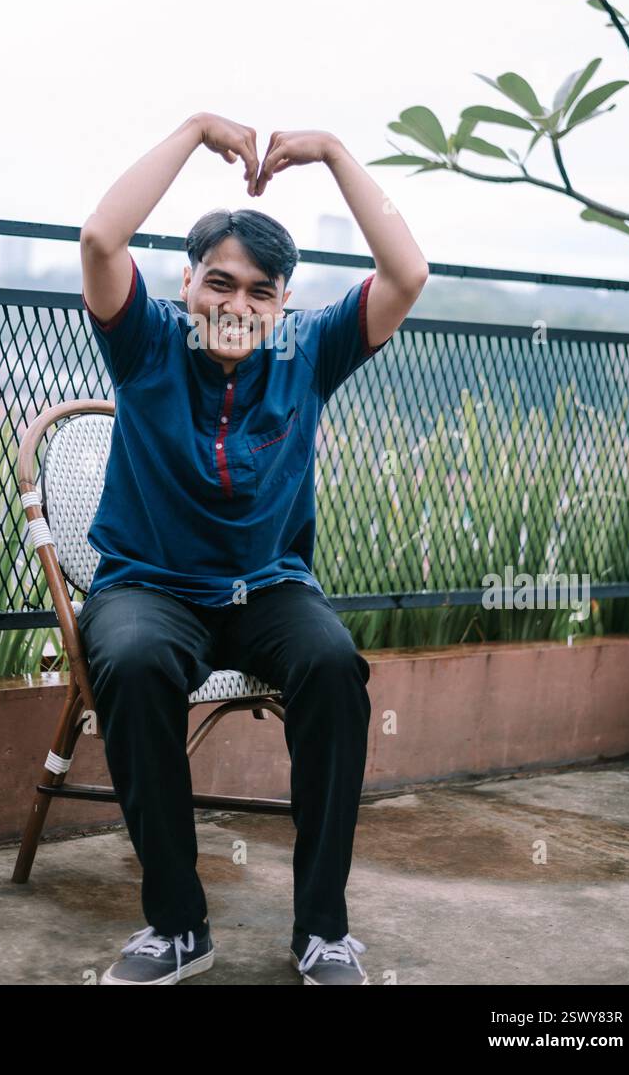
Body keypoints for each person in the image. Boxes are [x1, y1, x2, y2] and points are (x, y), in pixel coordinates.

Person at [78, 111, 428, 985]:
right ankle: (176, 925)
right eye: (219, 283)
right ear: (187, 282)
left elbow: (407, 271)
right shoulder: (146, 338)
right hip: (147, 589)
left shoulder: (310, 351)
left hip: (267, 590)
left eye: (260, 292)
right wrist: (196, 129)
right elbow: (98, 235)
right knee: (130, 662)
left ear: (281, 304)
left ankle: (321, 930)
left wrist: (337, 153)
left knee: (334, 667)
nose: (236, 306)